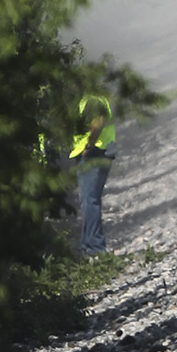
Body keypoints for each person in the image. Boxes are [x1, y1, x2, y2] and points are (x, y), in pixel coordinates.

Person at [70, 92, 116, 257]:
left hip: (94, 154)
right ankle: (88, 244)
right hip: (98, 153)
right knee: (88, 200)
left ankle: (95, 248)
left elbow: (98, 122)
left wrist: (88, 146)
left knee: (90, 200)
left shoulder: (93, 99)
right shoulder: (93, 98)